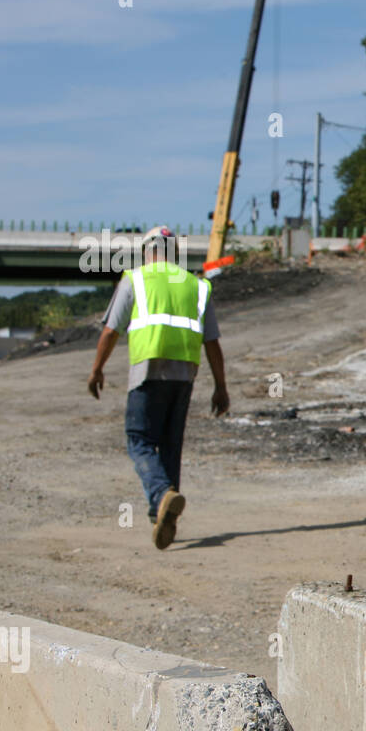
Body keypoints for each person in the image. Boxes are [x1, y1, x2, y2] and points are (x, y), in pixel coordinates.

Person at [86, 226, 229, 550]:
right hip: (184, 373)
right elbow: (212, 344)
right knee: (170, 445)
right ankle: (162, 516)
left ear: (147, 251)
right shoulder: (197, 285)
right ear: (174, 253)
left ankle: (163, 495)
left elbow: (110, 332)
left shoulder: (135, 279)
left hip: (148, 368)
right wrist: (221, 387)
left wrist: (97, 370)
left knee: (138, 440)